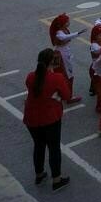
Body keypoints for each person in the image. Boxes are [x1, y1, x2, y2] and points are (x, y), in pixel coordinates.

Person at [22, 48, 71, 192]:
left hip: (31, 118)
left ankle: (39, 174)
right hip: (50, 118)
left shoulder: (31, 76)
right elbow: (67, 96)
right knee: (54, 148)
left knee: (38, 145)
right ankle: (57, 179)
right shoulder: (57, 78)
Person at [48, 13, 84, 104]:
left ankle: (60, 93)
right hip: (62, 54)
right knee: (68, 75)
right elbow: (64, 37)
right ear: (63, 23)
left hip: (62, 52)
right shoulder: (60, 32)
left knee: (59, 74)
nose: (69, 22)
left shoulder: (62, 30)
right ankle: (68, 96)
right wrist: (77, 33)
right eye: (67, 21)